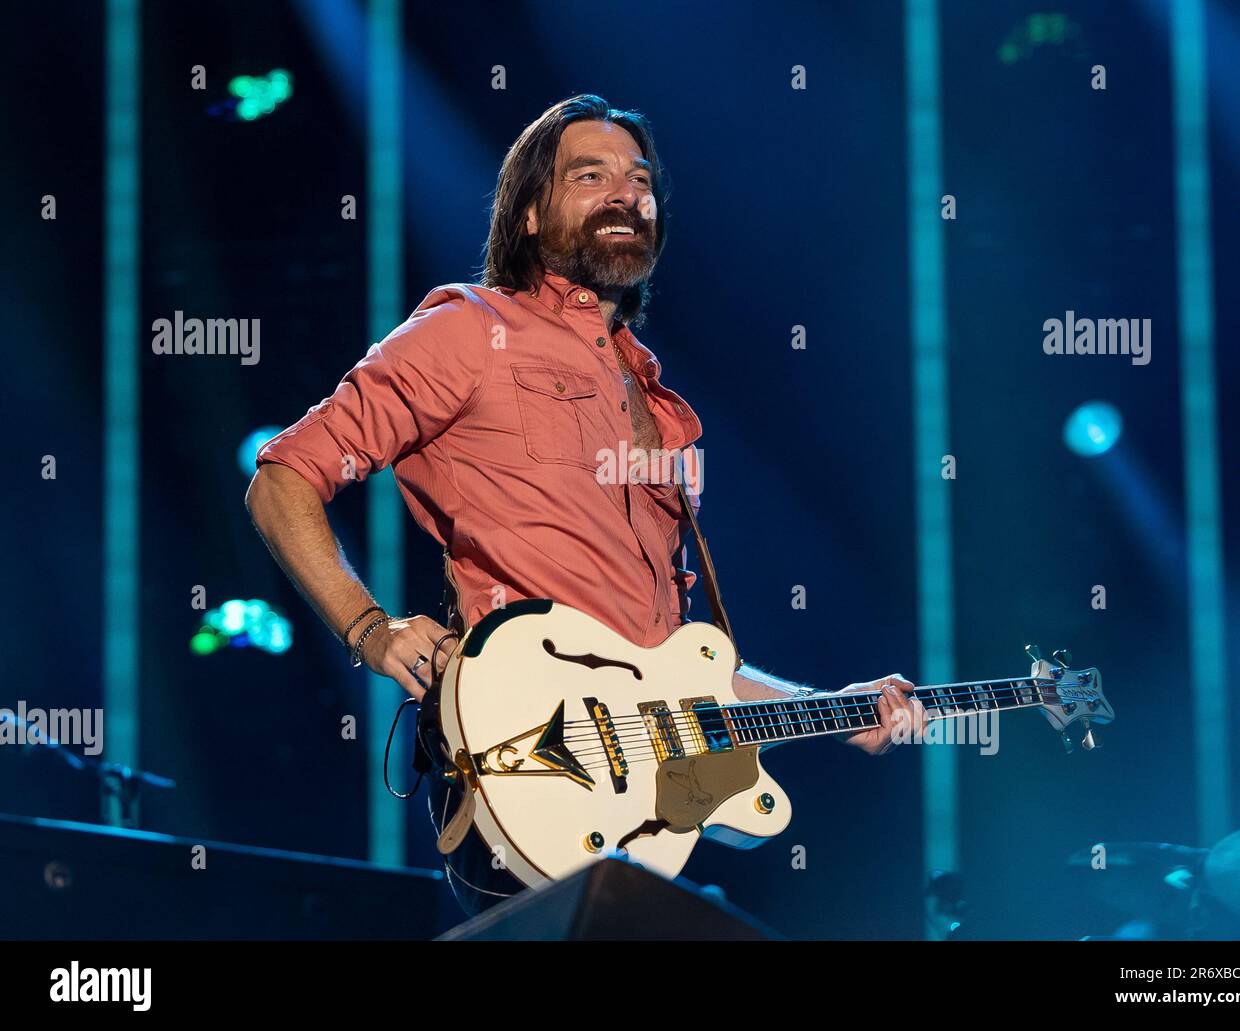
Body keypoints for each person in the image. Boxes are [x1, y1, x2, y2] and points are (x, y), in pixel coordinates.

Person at [245, 94, 927, 916]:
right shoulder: (468, 331)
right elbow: (283, 475)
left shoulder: (654, 399)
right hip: (527, 762)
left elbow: (675, 669)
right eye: (590, 175)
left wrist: (834, 711)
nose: (625, 194)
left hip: (634, 801)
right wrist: (369, 627)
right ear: (531, 214)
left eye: (638, 181)